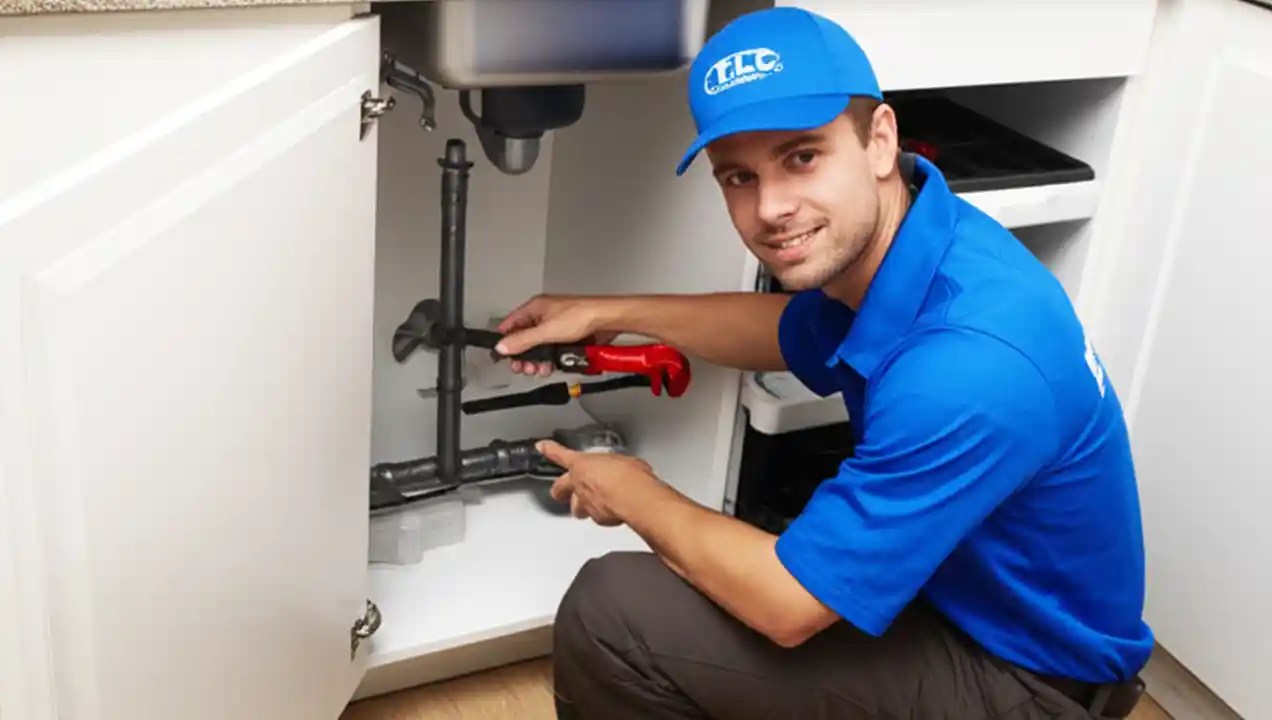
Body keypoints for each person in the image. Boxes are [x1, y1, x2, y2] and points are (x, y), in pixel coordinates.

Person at [494, 7, 1153, 719]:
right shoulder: (925, 241)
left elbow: (786, 606)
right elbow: (786, 330)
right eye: (738, 178)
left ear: (878, 140)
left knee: (613, 613)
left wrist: (630, 493)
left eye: (801, 156)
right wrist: (605, 311)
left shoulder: (969, 369)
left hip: (1026, 681)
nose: (772, 207)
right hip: (957, 601)